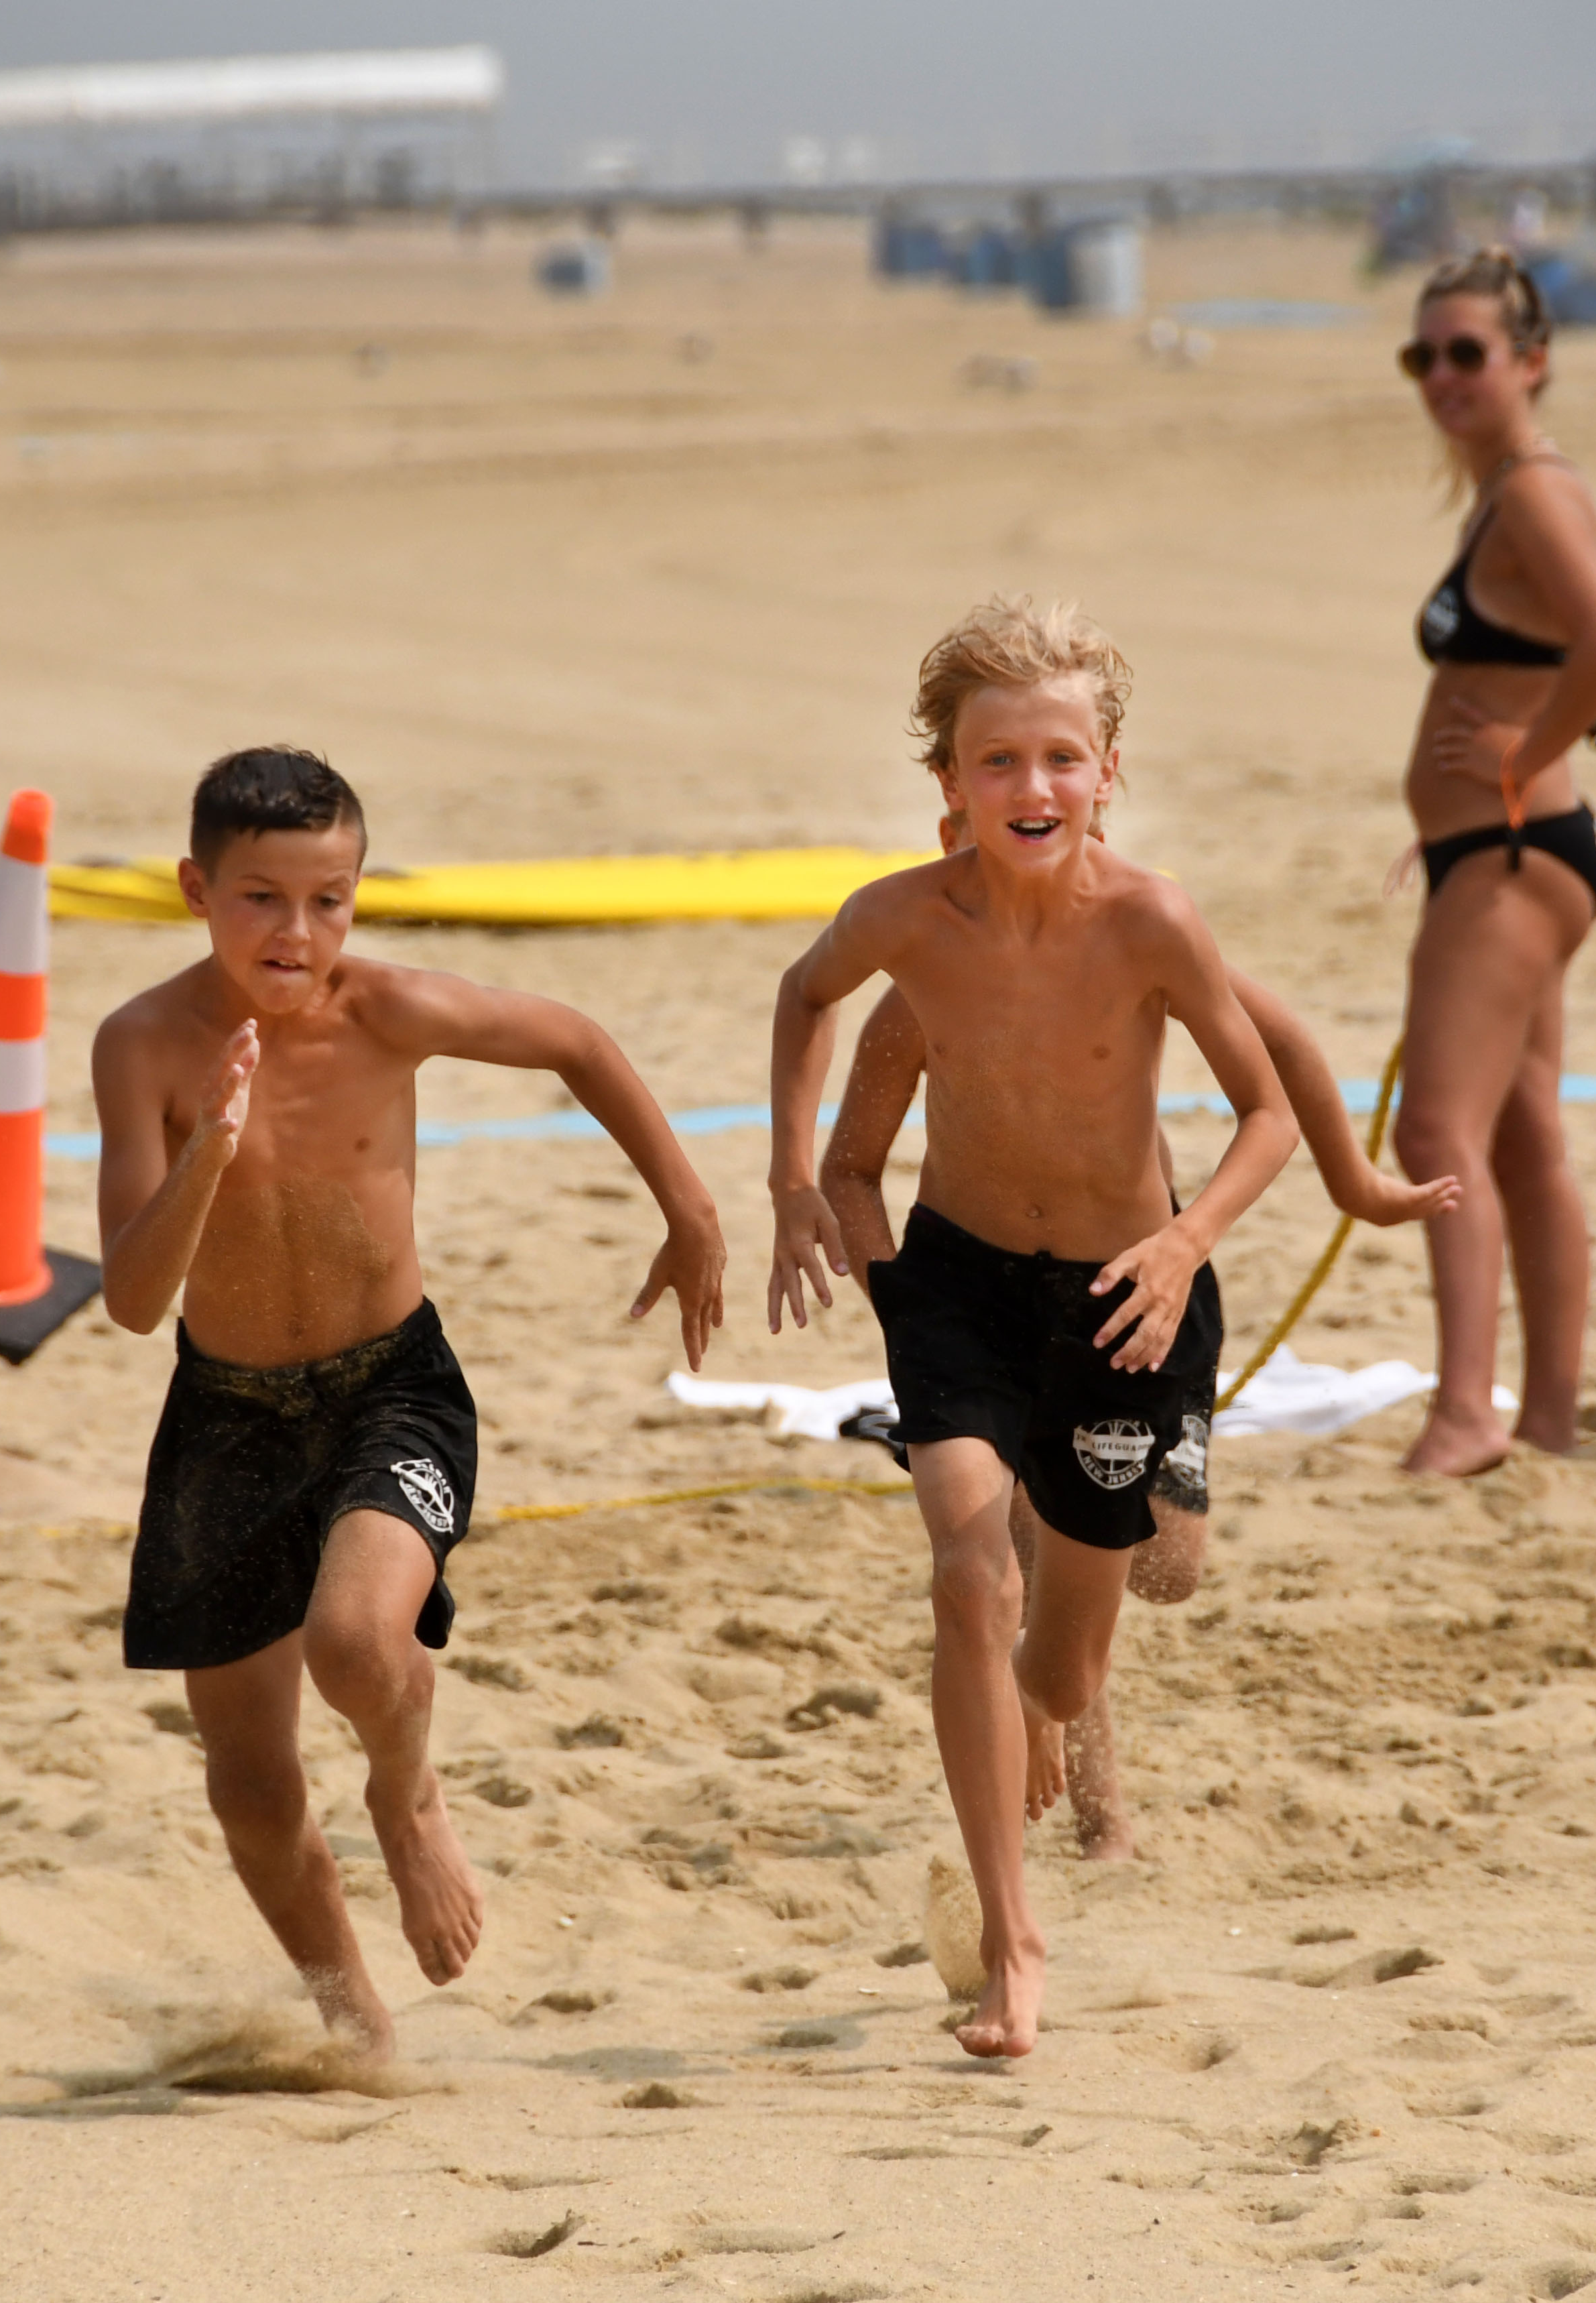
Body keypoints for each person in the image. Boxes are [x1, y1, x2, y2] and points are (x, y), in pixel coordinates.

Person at [93, 744, 724, 2060]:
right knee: (252, 1779)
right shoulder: (142, 1043)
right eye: (261, 897)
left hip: (389, 1388)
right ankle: (351, 2021)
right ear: (195, 889)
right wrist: (207, 1145)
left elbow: (575, 1039)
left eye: (330, 898)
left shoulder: (388, 1012)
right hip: (224, 1414)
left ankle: (407, 1791)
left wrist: (690, 1207)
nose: (297, 930)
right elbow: (135, 1300)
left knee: (355, 1642)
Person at [767, 599, 1300, 2058]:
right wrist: (791, 1184)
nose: (1031, 789)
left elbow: (1269, 1106)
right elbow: (803, 996)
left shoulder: (1151, 918)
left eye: (1060, 758)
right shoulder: (904, 922)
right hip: (959, 1281)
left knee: (1064, 1661)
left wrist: (1189, 1243)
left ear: (1108, 770)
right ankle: (1013, 1940)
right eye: (996, 761)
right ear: (948, 779)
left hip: (1125, 1296)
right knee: (960, 1562)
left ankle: (1054, 1712)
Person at [822, 963, 1453, 1860]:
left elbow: (1284, 1042)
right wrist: (910, 1319)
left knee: (1166, 1566)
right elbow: (850, 1160)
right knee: (1039, 1534)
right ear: (952, 829)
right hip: (985, 1307)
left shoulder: (1132, 931)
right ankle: (1100, 1812)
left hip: (1139, 1295)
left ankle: (1042, 1686)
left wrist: (1354, 1181)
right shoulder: (934, 959)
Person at [1386, 246, 1596, 1478]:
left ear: (1531, 362)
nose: (1441, 374)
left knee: (1435, 1132)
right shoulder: (1504, 490)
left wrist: (1514, 756)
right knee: (1526, 1135)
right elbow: (1553, 655)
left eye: (1466, 352)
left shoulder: (1534, 488)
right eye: (1422, 354)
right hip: (1501, 846)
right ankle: (1541, 1416)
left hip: (1513, 847)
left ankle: (1463, 1412)